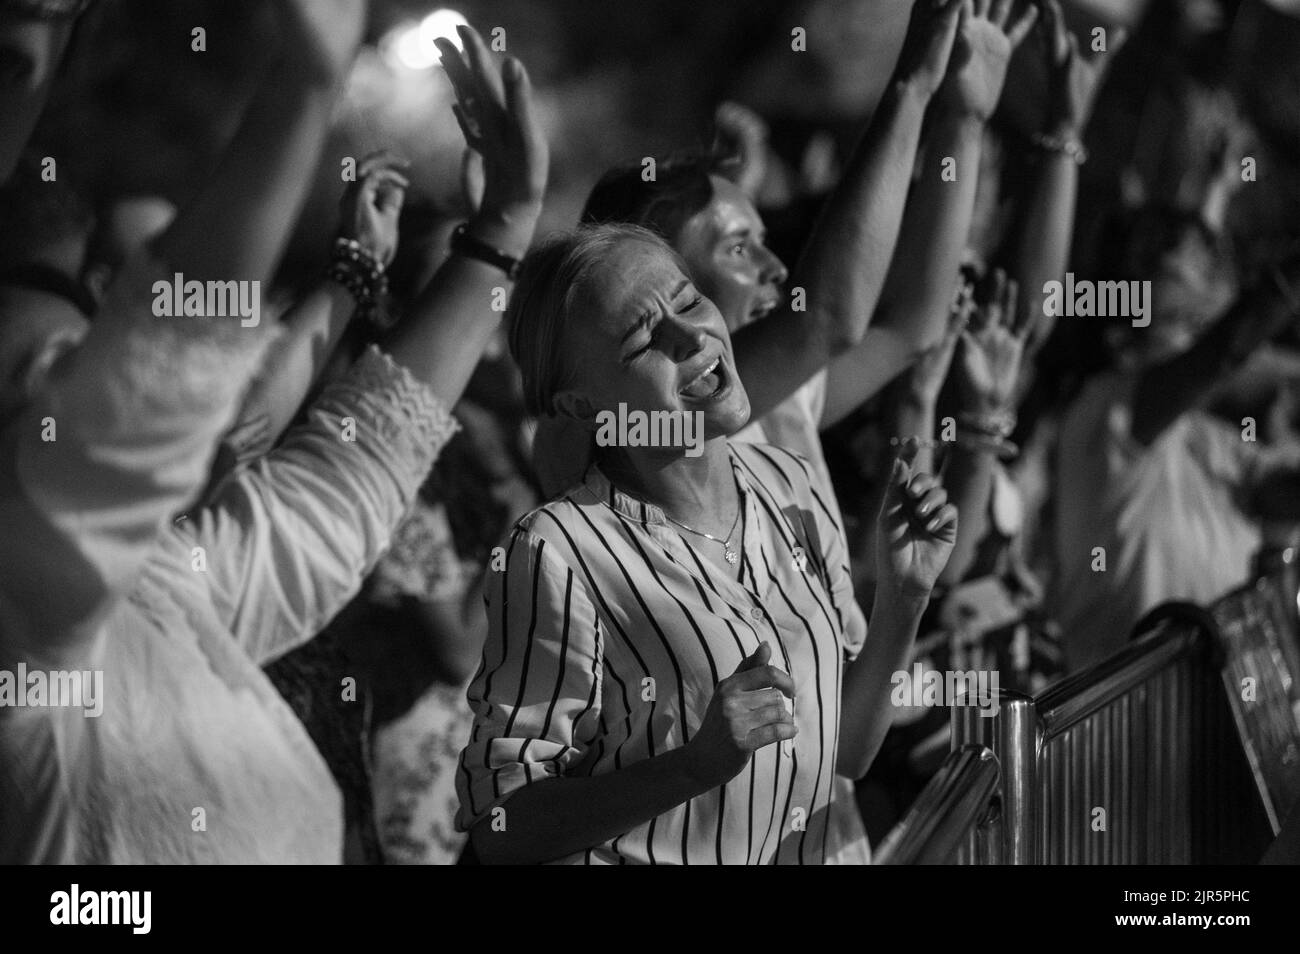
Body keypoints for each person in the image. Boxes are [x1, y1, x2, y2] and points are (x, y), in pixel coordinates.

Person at [0, 12, 549, 862]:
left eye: (78, 357)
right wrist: (300, 91)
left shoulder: (160, 590)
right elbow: (143, 409)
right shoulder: (26, 640)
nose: (72, 383)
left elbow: (352, 473)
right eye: (49, 367)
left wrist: (501, 233)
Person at [455, 223, 957, 864]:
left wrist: (904, 596)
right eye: (644, 339)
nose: (692, 336)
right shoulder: (558, 550)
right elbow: (501, 827)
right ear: (582, 407)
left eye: (689, 302)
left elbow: (849, 752)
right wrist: (693, 768)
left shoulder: (789, 483)